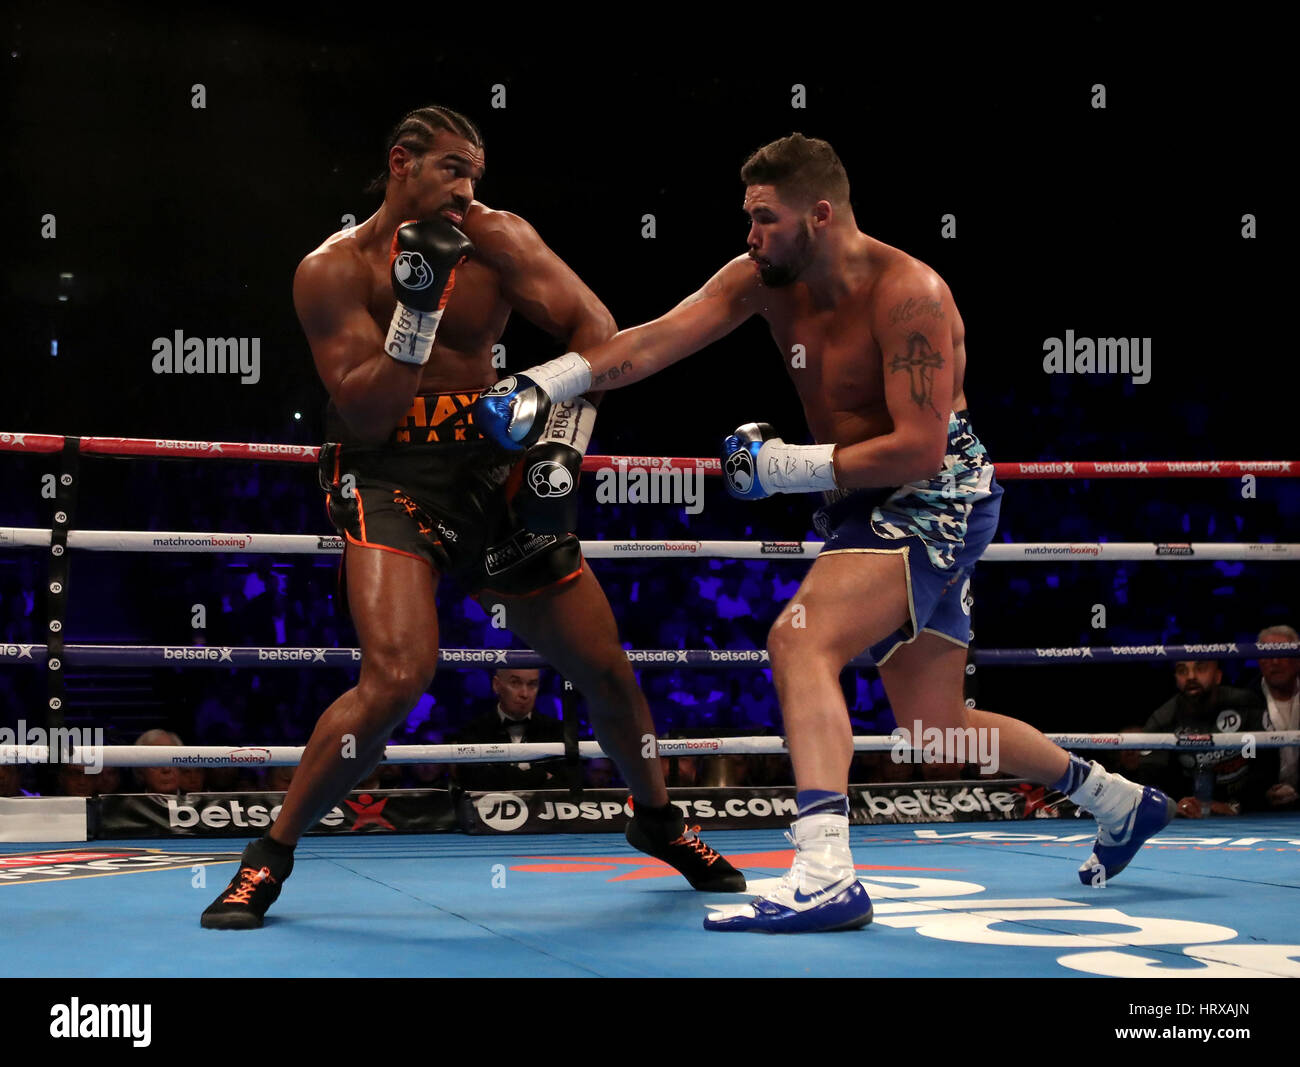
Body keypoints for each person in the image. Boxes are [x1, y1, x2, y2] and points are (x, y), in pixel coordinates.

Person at [477, 132, 1176, 932]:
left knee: (800, 640)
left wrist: (781, 468)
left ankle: (825, 872)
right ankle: (1119, 800)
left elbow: (918, 444)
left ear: (820, 213)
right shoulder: (762, 278)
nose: (750, 236)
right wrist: (547, 379)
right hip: (856, 500)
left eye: (765, 219)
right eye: (748, 219)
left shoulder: (910, 293)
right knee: (935, 724)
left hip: (933, 493)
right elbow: (655, 339)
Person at [201, 106, 742, 931]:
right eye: (451, 170)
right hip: (387, 476)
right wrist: (416, 313)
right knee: (395, 679)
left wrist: (562, 431)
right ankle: (268, 856)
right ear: (401, 163)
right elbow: (370, 413)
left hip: (496, 473)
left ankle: (657, 817)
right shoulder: (332, 270)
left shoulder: (497, 238)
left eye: (475, 176)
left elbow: (595, 330)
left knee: (606, 670)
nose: (466, 191)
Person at [1143, 660, 1270, 817]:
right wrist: (1173, 804)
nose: (1191, 677)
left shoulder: (1245, 705)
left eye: (1200, 668)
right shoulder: (1164, 719)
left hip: (1252, 810)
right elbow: (1150, 776)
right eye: (1182, 670)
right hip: (1191, 814)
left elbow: (1265, 764)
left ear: (1218, 676)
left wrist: (1238, 804)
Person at [452, 668, 566, 791]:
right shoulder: (474, 729)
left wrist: (502, 774)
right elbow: (476, 780)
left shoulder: (555, 729)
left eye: (532, 684)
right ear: (496, 685)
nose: (524, 694)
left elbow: (565, 781)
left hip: (545, 808)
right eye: (515, 683)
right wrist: (540, 776)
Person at [1255, 625, 1299, 808]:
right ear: (1259, 660)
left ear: (1298, 659)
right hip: (1257, 808)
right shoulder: (1245, 700)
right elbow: (1243, 753)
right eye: (1267, 654)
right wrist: (1259, 792)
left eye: (1282, 653)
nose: (1274, 661)